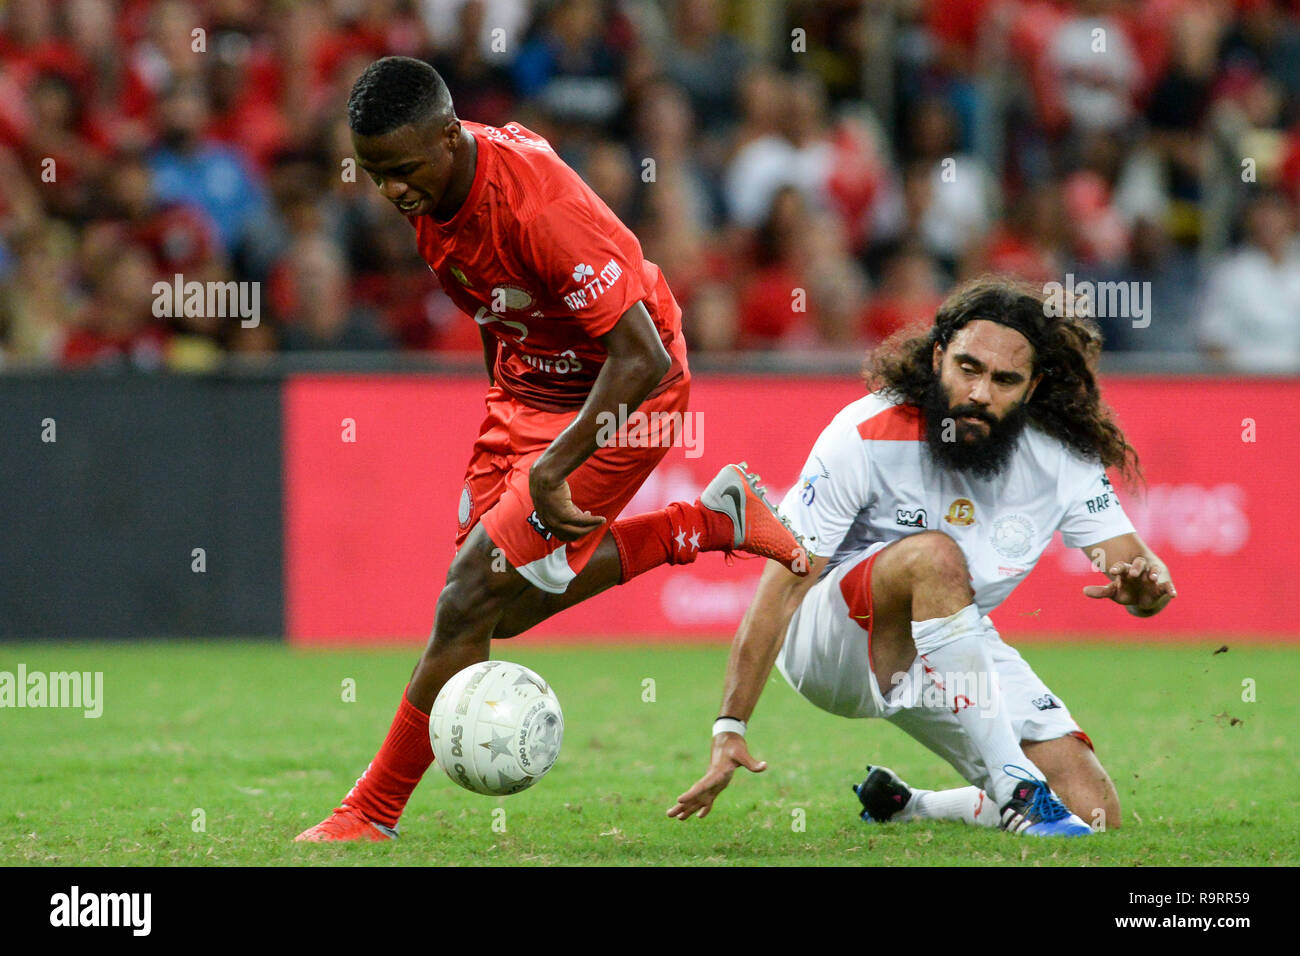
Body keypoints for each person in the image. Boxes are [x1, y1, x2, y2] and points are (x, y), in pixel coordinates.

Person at [297, 57, 806, 842]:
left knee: (464, 599)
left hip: (628, 392)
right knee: (508, 609)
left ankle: (370, 810)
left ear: (447, 135)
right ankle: (706, 523)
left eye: (399, 170)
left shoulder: (536, 205)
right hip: (531, 389)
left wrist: (550, 470)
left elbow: (645, 359)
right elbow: (493, 305)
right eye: (373, 174)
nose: (391, 191)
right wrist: (505, 424)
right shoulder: (429, 189)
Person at [668, 278, 1177, 836]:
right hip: (831, 645)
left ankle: (910, 804)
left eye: (1005, 379)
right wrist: (729, 726)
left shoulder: (1062, 460)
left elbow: (1137, 571)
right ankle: (1016, 789)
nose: (981, 392)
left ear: (1031, 389)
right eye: (968, 368)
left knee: (1092, 810)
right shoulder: (864, 431)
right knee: (934, 555)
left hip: (950, 643)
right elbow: (783, 586)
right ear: (938, 358)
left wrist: (1144, 591)